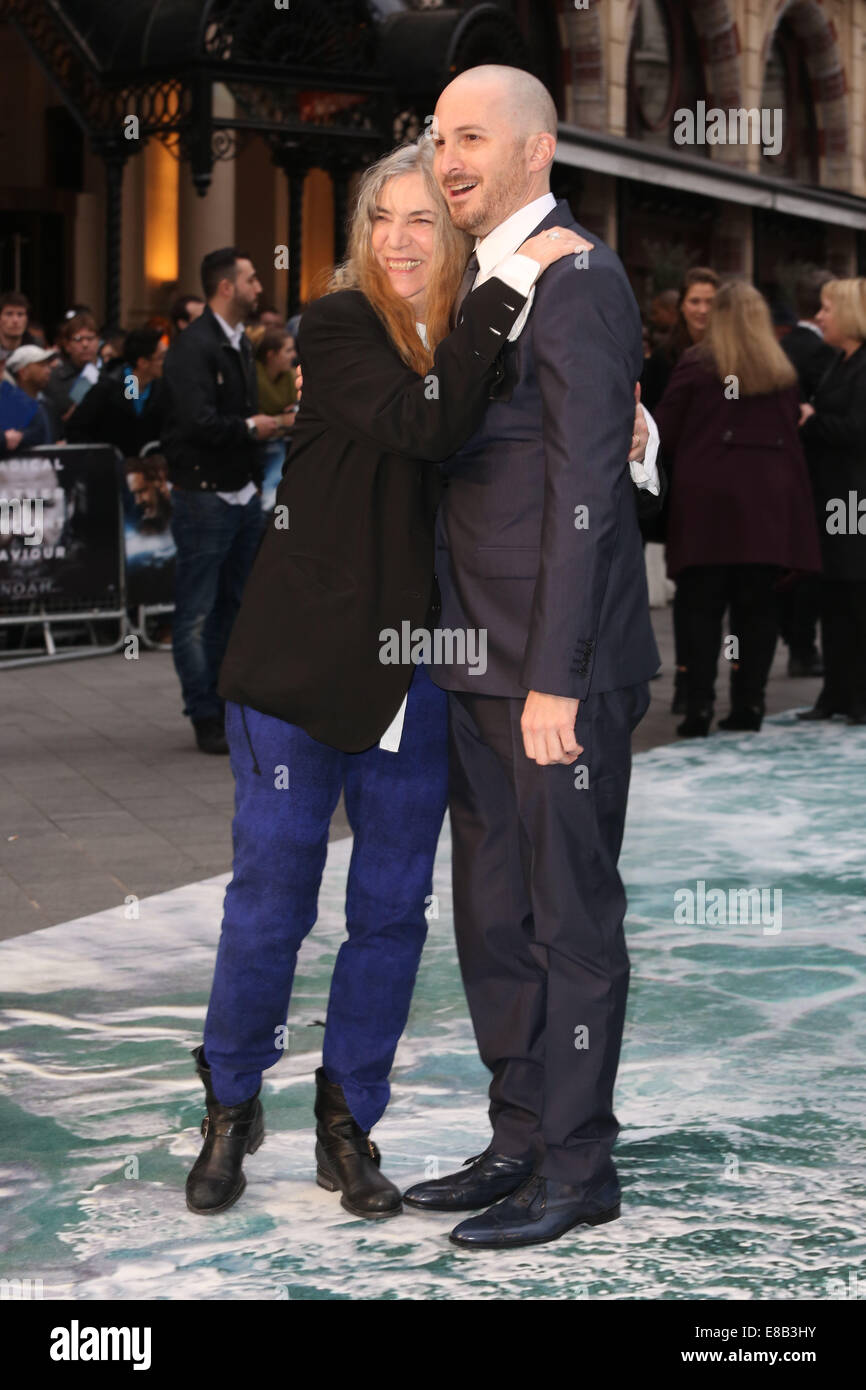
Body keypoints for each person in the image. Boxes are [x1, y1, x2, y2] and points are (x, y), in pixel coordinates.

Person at [185, 140, 592, 1221]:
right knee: (269, 900)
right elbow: (426, 422)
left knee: (388, 910)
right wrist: (509, 283)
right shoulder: (338, 327)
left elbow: (522, 449)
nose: (401, 238)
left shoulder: (480, 337)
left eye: (423, 220)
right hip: (295, 662)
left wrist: (623, 427)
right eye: (382, 219)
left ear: (452, 236)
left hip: (418, 674)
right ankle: (229, 1106)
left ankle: (345, 1121)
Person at [397, 65, 659, 1250]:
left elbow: (584, 492)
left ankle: (575, 1162)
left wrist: (557, 671)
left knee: (566, 917)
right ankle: (516, 1135)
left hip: (557, 669)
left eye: (470, 137)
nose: (447, 158)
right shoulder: (489, 277)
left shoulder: (580, 275)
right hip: (473, 661)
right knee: (494, 912)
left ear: (536, 148)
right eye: (436, 137)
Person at [654, 281, 822, 736]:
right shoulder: (780, 370)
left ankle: (700, 707)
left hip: (707, 506)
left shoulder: (697, 364)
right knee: (758, 611)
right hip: (766, 507)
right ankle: (749, 704)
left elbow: (664, 433)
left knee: (700, 610)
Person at [160, 248, 278, 754]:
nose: (259, 288)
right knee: (195, 613)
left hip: (241, 494)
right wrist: (255, 428)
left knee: (237, 605)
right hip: (204, 496)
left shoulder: (240, 343)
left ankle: (228, 703)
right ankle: (204, 712)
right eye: (252, 279)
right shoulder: (193, 347)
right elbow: (196, 424)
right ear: (226, 287)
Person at [796, 277, 866, 725]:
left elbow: (858, 430)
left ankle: (854, 695)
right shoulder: (842, 362)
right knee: (836, 594)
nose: (819, 317)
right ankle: (837, 693)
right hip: (836, 497)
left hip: (854, 500)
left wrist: (813, 419)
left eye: (826, 308)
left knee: (854, 594)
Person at [778, 269, 838, 678]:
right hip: (818, 474)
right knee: (814, 565)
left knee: (790, 562)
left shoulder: (781, 347)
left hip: (782, 472)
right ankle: (803, 646)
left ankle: (796, 641)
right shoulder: (822, 354)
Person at [65, 327, 167, 455]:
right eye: (161, 357)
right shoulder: (108, 388)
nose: (166, 362)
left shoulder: (159, 388)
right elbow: (76, 429)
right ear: (143, 362)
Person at [42, 311, 101, 420]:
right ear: (67, 345)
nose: (85, 344)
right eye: (78, 339)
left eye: (90, 338)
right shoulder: (52, 378)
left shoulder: (112, 373)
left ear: (98, 341)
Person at [5, 344, 62, 444]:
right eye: (42, 365)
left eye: (48, 365)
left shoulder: (48, 404)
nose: (48, 370)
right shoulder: (8, 406)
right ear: (23, 372)